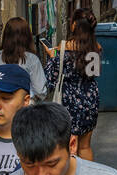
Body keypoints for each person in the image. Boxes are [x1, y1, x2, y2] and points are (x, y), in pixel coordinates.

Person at [42, 9, 101, 161]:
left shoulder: (62, 48)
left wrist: (52, 57)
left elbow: (51, 79)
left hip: (69, 102)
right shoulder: (96, 47)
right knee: (85, 146)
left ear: (74, 25)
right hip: (90, 100)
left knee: (69, 144)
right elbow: (93, 73)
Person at [0, 17, 47, 98]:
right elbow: (40, 90)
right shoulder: (32, 59)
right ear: (27, 36)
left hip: (1, 103)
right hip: (24, 105)